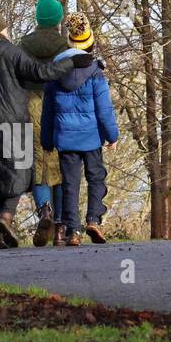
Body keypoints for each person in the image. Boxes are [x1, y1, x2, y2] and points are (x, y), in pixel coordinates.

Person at [0, 11, 91, 248]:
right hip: (11, 120)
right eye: (5, 28)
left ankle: (2, 235)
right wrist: (71, 62)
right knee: (20, 173)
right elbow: (41, 72)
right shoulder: (11, 52)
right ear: (0, 30)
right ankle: (6, 217)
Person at [40, 13, 118, 246]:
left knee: (70, 184)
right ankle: (93, 219)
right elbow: (104, 109)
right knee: (96, 177)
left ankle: (73, 232)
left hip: (66, 139)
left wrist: (47, 140)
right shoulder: (95, 72)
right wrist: (111, 135)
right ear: (90, 42)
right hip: (91, 137)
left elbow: (48, 111)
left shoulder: (55, 72)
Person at [18, 0, 69, 246]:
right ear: (57, 19)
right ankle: (60, 227)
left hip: (30, 103)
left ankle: (44, 209)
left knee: (37, 159)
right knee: (59, 161)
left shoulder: (23, 44)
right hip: (58, 103)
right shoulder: (64, 45)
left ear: (38, 17)